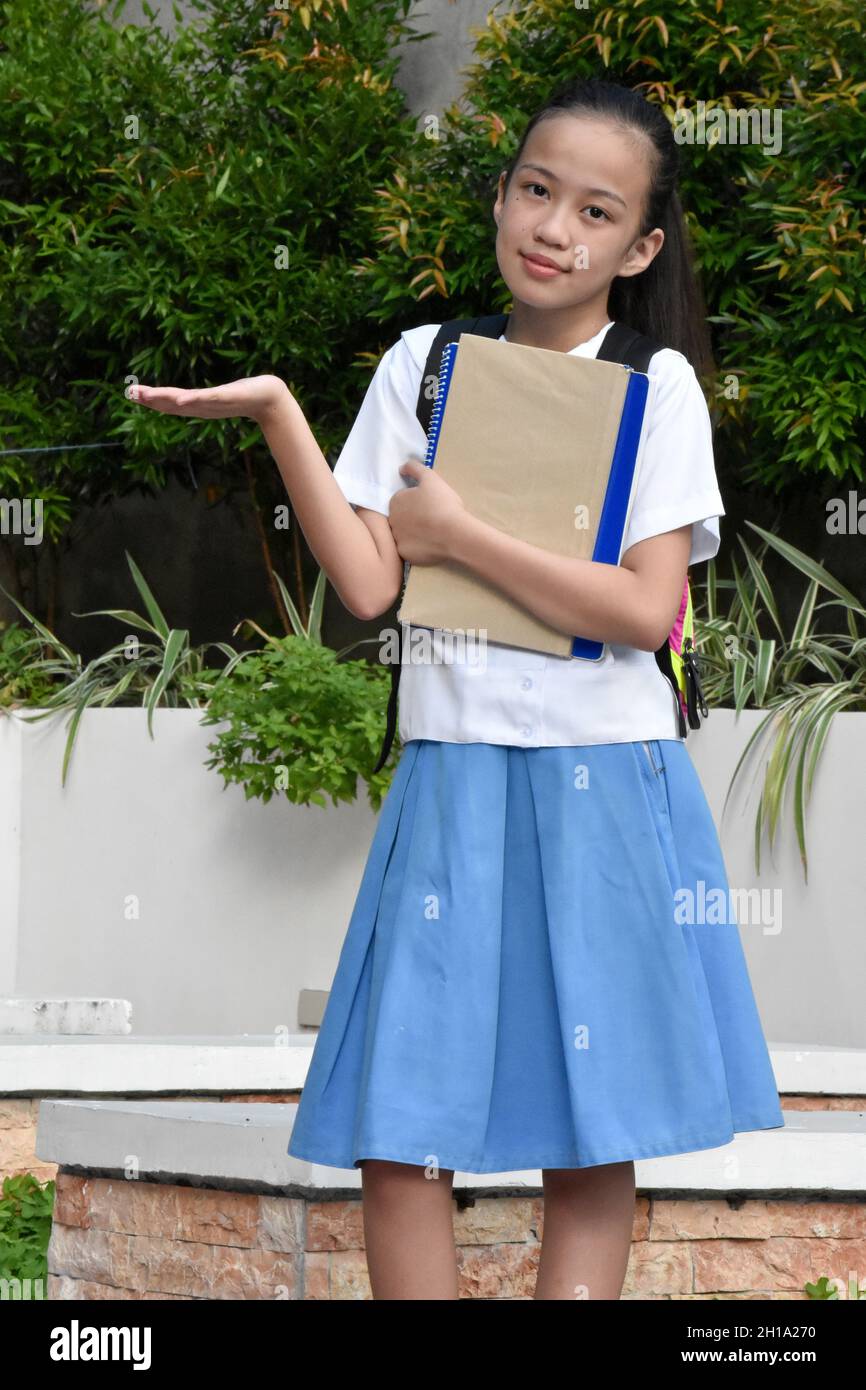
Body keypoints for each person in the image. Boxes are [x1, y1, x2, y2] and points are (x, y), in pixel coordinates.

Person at [131, 76, 785, 1301]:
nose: (554, 227)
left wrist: (464, 534)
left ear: (637, 247)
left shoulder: (656, 387)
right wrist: (279, 413)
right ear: (499, 198)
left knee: (594, 1135)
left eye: (594, 212)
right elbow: (372, 583)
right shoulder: (425, 364)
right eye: (534, 190)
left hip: (605, 788)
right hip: (451, 776)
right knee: (402, 1126)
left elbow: (647, 609)